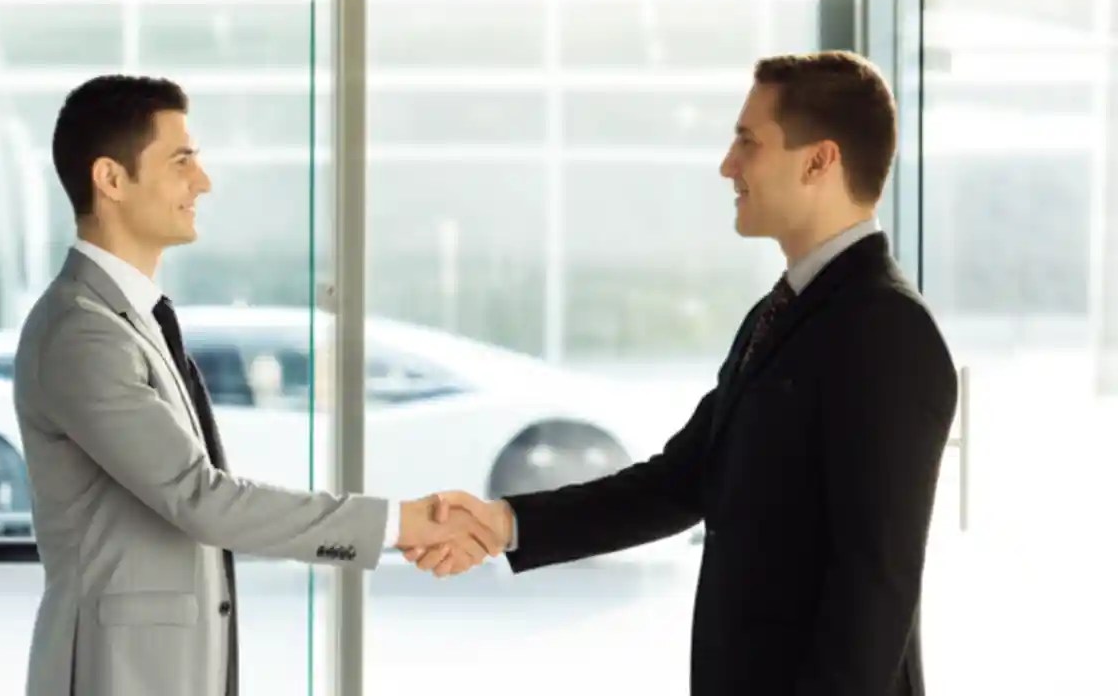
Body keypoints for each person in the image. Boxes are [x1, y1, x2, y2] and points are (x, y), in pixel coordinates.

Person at [410, 51, 959, 696]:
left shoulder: (884, 329)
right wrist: (503, 524)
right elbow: (685, 479)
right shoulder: (785, 311)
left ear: (819, 160)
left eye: (747, 143)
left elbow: (875, 590)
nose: (728, 166)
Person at [12, 75, 498, 696]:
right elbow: (201, 498)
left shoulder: (130, 319)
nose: (203, 182)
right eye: (181, 160)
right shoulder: (82, 333)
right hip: (118, 674)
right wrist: (398, 524)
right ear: (110, 179)